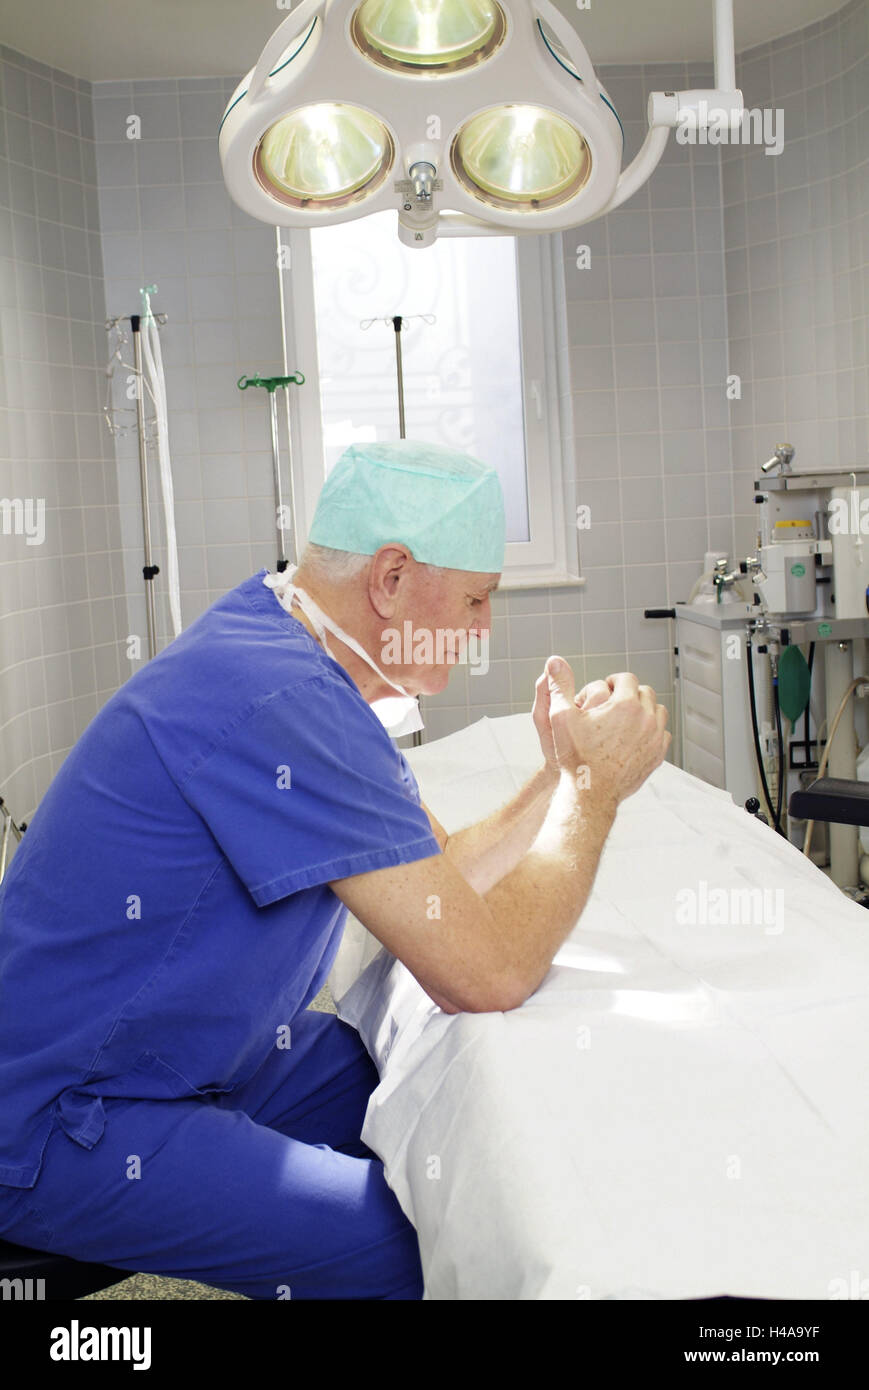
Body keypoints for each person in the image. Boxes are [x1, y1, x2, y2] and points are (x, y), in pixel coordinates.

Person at [0, 438, 669, 1299]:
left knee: (450, 1093)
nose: (480, 632)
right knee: (437, 1244)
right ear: (391, 580)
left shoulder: (283, 646)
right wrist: (593, 792)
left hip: (202, 1056)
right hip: (68, 1114)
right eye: (474, 599)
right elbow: (489, 973)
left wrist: (554, 776)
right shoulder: (284, 699)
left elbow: (437, 877)